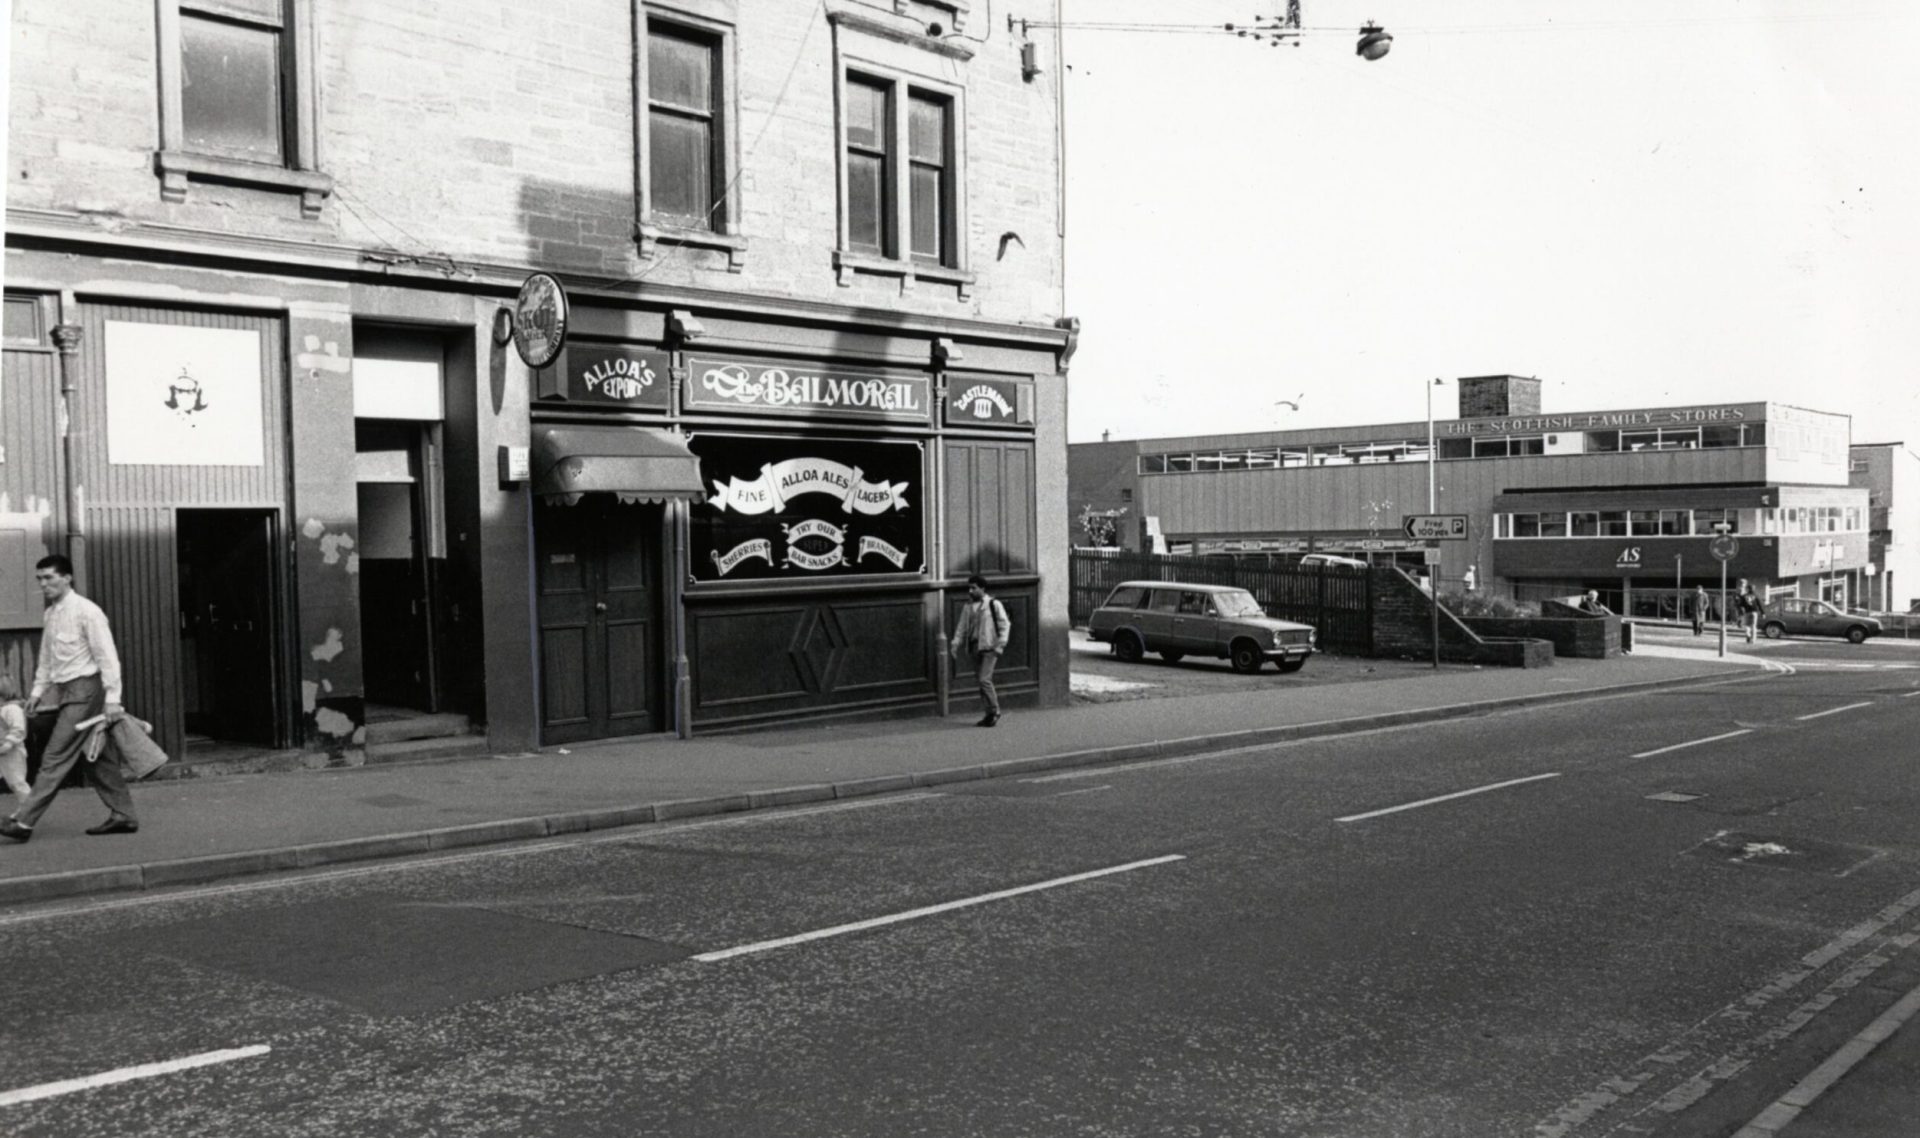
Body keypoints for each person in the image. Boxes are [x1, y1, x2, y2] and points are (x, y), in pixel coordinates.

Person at [0, 555, 136, 843]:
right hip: (66, 692)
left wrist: (113, 698)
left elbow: (107, 657)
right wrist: (37, 692)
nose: (43, 584)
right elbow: (48, 660)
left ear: (67, 578)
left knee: (55, 756)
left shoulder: (88, 611)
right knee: (95, 756)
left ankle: (23, 823)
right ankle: (123, 815)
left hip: (87, 690)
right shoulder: (51, 614)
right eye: (39, 579)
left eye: (49, 577)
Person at [950, 574, 1011, 727]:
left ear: (982, 588)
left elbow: (1004, 625)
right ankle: (988, 714)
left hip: (990, 647)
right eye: (969, 588)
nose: (970, 591)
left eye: (974, 588)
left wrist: (1000, 645)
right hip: (975, 647)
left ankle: (995, 711)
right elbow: (962, 627)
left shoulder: (993, 604)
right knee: (981, 682)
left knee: (984, 680)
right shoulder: (968, 606)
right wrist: (955, 643)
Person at [0, 675, 29, 808]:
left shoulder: (12, 709)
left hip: (12, 752)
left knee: (17, 782)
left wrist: (8, 744)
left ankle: (29, 811)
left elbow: (18, 729)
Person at [1736, 579, 1761, 643]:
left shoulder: (1743, 593)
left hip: (1746, 611)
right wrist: (1762, 612)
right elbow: (1759, 603)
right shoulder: (1755, 595)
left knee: (1747, 625)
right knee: (1753, 626)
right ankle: (1753, 639)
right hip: (1754, 611)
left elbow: (1740, 603)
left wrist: (1740, 607)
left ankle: (1748, 635)